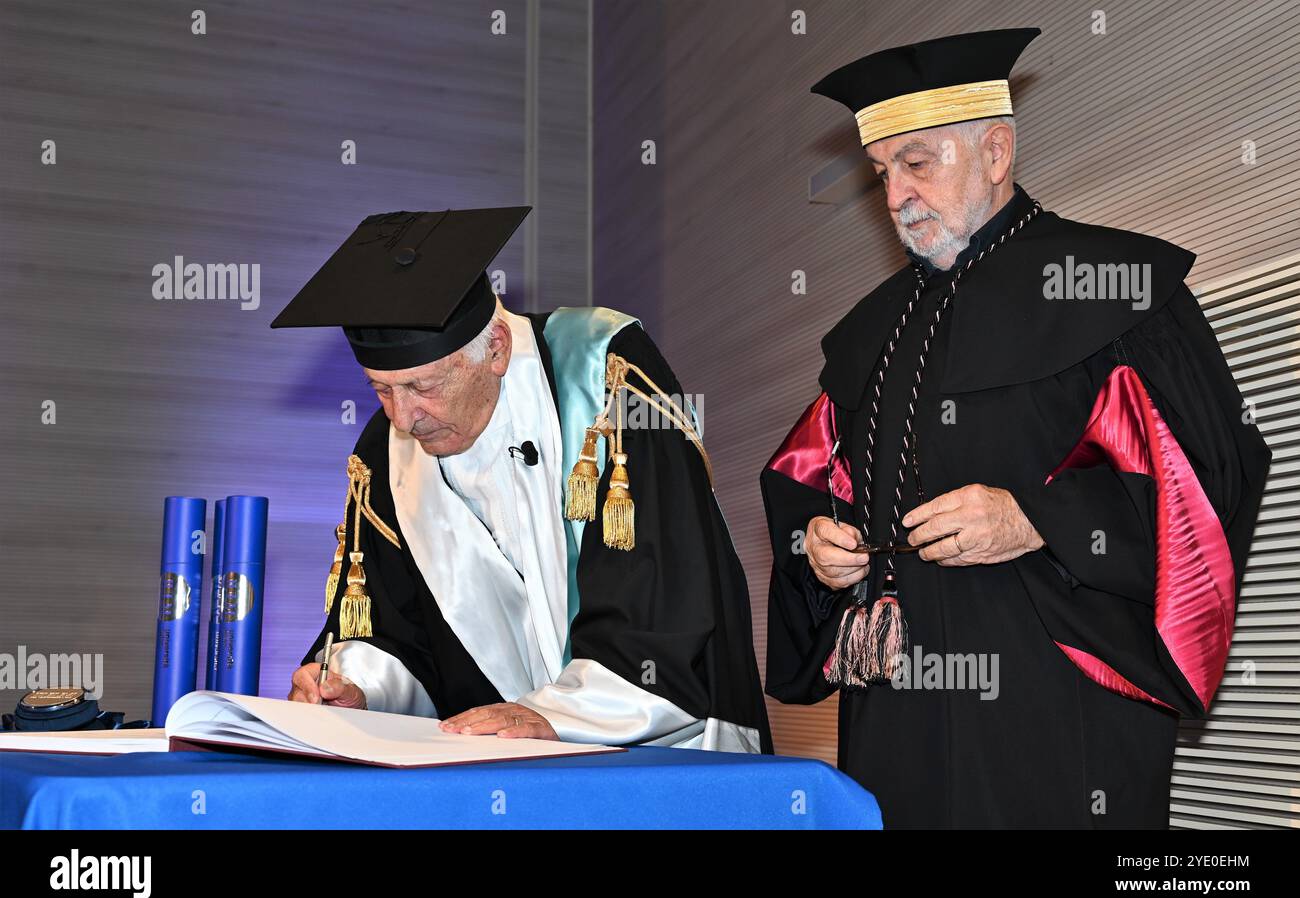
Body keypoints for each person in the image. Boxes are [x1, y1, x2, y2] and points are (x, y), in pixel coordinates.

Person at [761, 28, 1270, 826]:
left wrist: (1038, 518)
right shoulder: (871, 333)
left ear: (996, 152)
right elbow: (804, 481)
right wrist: (817, 547)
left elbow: (1207, 475)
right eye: (882, 171)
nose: (895, 195)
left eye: (917, 164)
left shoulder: (1120, 290)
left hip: (1058, 712)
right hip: (899, 719)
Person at [273, 206, 770, 752]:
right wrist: (358, 686)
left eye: (422, 386)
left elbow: (661, 575)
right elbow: (394, 626)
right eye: (380, 389)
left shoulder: (605, 375)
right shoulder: (384, 453)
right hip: (498, 760)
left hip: (655, 749)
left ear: (497, 350)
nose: (402, 418)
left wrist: (562, 714)